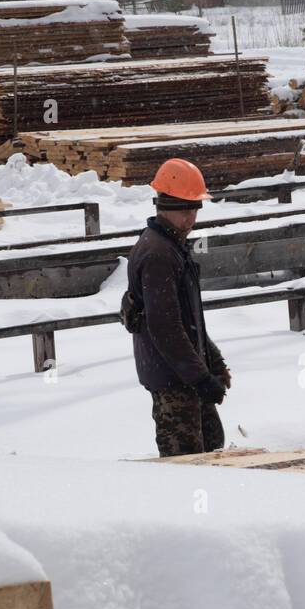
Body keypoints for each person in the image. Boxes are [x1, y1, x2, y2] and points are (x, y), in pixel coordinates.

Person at [123, 158, 231, 457]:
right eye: (186, 209)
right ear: (164, 205)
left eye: (196, 208)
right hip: (173, 380)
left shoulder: (172, 245)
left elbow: (188, 319)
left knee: (211, 446)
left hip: (185, 373)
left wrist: (213, 361)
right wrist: (200, 378)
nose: (192, 217)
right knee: (186, 462)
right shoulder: (159, 254)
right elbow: (165, 327)